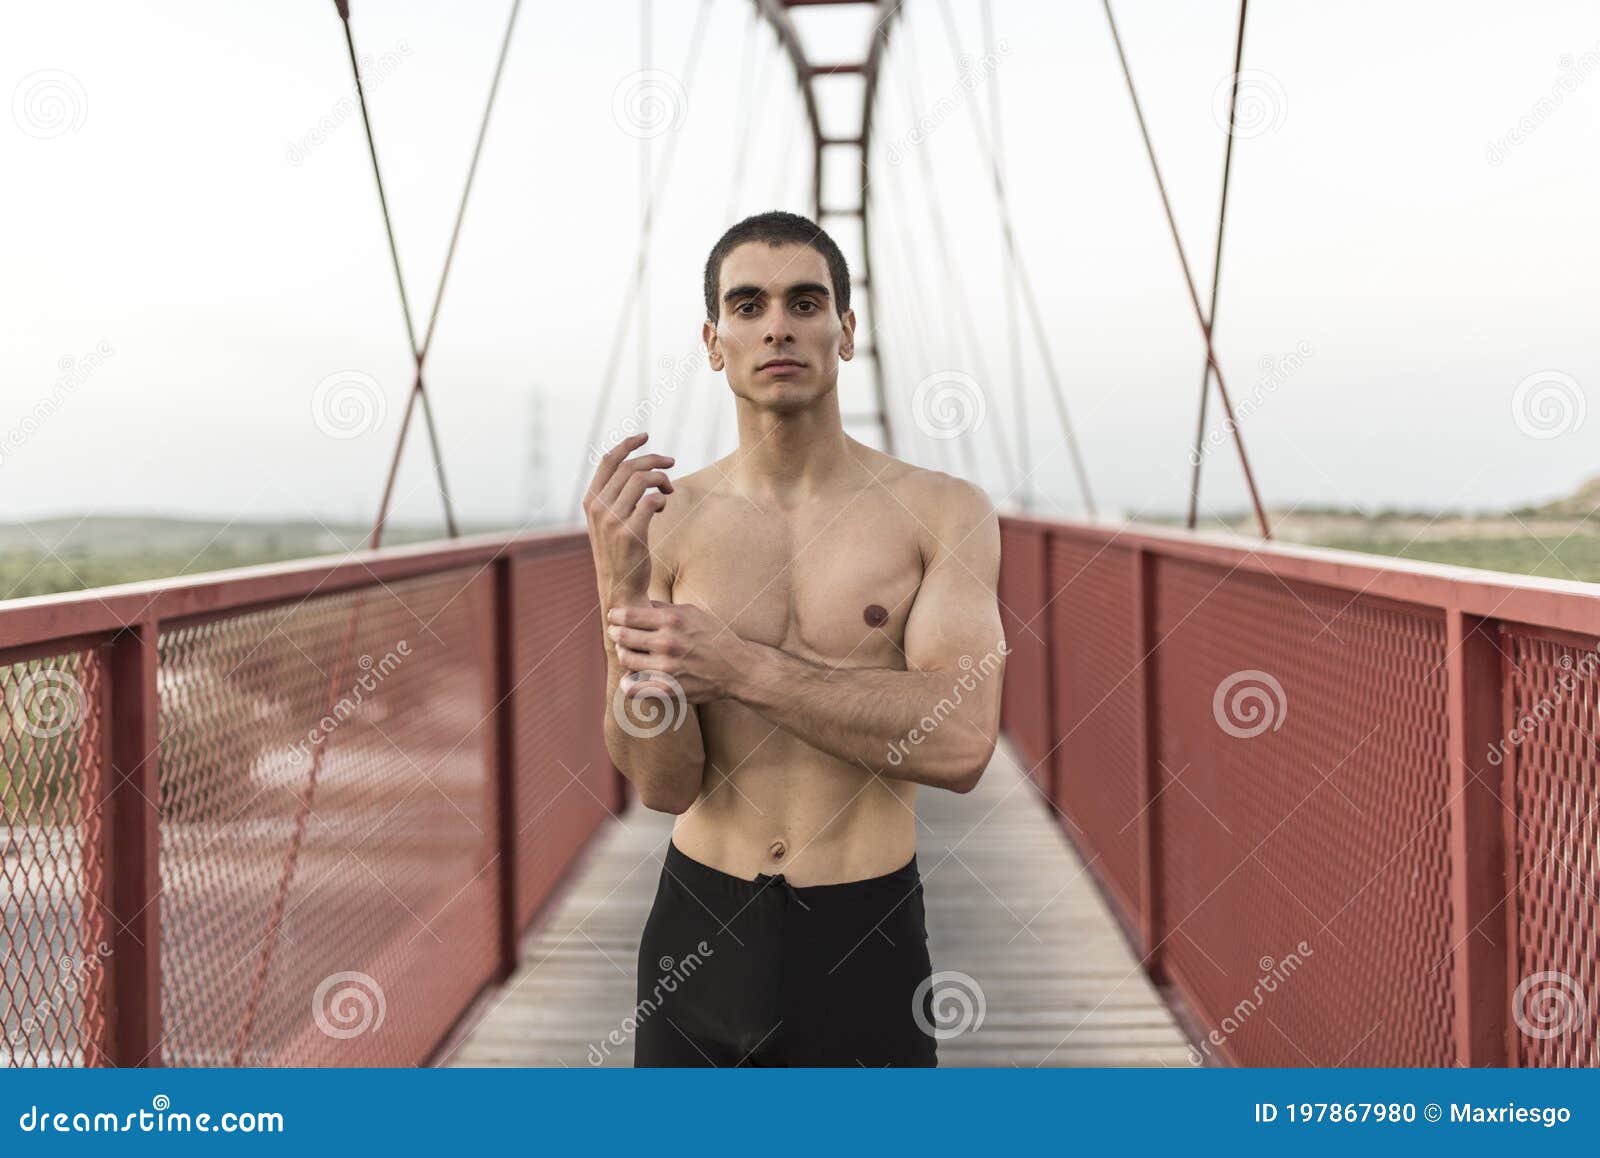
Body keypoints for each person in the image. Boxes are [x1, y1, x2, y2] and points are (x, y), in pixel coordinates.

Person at [583, 210, 1005, 1067]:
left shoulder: (940, 511)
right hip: (700, 925)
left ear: (846, 332)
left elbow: (961, 743)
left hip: (866, 929)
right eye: (748, 305)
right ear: (714, 340)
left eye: (806, 302)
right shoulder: (668, 522)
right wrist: (618, 594)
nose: (777, 324)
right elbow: (664, 783)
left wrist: (736, 665)